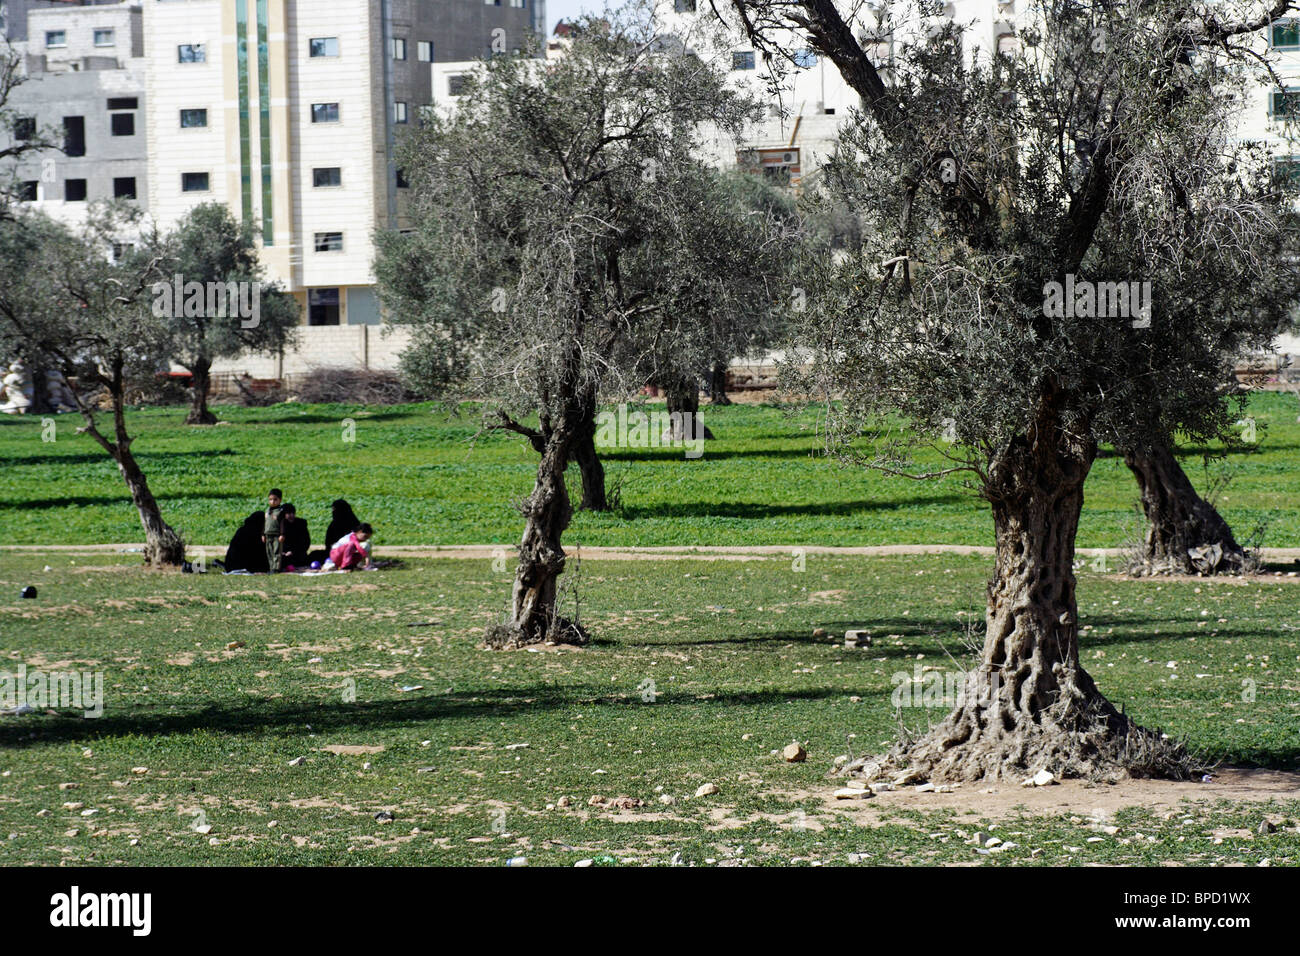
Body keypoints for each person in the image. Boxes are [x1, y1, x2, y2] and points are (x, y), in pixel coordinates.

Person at [280, 503, 311, 570]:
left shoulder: (301, 524)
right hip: (283, 555)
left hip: (298, 555)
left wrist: (293, 552)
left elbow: (306, 543)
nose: (291, 515)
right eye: (288, 513)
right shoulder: (279, 525)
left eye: (293, 513)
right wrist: (282, 552)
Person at [262, 488, 285, 573]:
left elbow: (282, 524)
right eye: (270, 499)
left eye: (275, 499)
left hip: (277, 535)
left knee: (276, 552)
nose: (272, 502)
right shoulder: (267, 511)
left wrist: (282, 534)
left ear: (280, 500)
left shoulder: (280, 512)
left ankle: (276, 568)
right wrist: (263, 534)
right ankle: (271, 567)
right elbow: (265, 523)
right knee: (269, 552)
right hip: (268, 534)